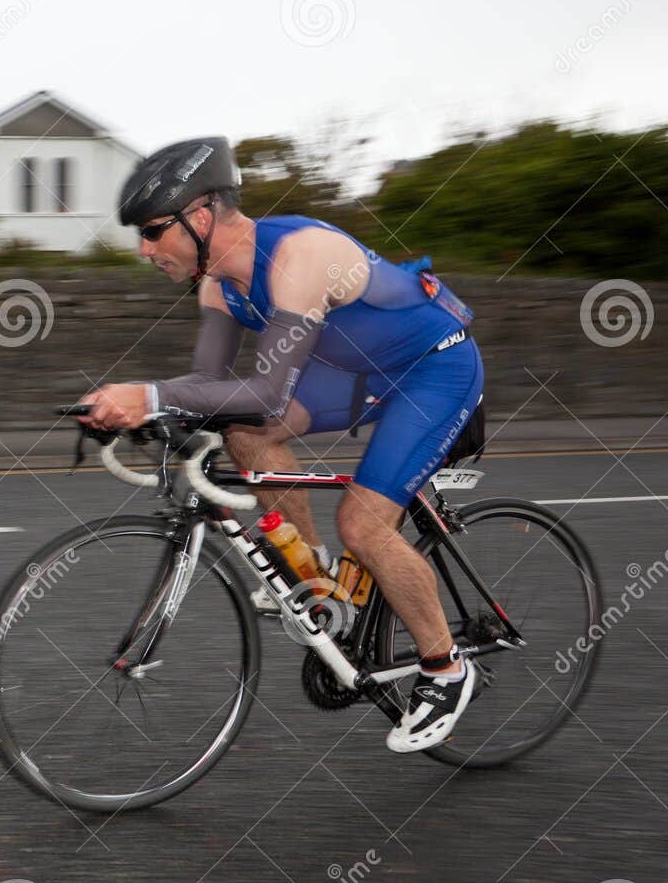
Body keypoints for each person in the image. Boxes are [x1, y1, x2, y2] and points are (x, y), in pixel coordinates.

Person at [78, 138, 484, 754]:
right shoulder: (218, 284)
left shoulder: (301, 255)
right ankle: (312, 575)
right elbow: (212, 390)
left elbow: (266, 389)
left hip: (433, 370)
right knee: (240, 432)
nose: (144, 249)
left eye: (155, 230)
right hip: (355, 374)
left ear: (203, 218)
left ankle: (446, 668)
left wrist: (152, 396)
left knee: (366, 527)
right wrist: (148, 415)